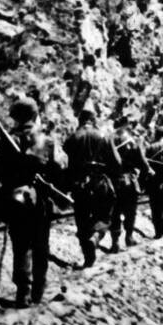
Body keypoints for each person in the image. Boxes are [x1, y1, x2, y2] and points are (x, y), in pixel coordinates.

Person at [0, 97, 67, 307]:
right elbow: (59, 170)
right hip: (40, 200)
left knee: (21, 245)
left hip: (15, 199)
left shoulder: (7, 139)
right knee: (41, 245)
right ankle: (38, 291)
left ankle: (23, 291)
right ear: (35, 115)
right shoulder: (46, 139)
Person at [64, 101, 122, 269]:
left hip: (79, 185)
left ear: (80, 120)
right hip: (100, 183)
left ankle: (89, 257)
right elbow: (117, 163)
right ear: (93, 119)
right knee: (104, 216)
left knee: (82, 220)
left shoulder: (72, 138)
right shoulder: (103, 136)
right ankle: (96, 237)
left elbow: (64, 164)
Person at [109, 113, 151, 253]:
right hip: (130, 180)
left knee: (115, 211)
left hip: (113, 180)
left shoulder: (110, 138)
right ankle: (129, 237)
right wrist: (145, 177)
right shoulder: (132, 141)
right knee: (130, 211)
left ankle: (115, 242)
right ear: (127, 125)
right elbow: (142, 162)